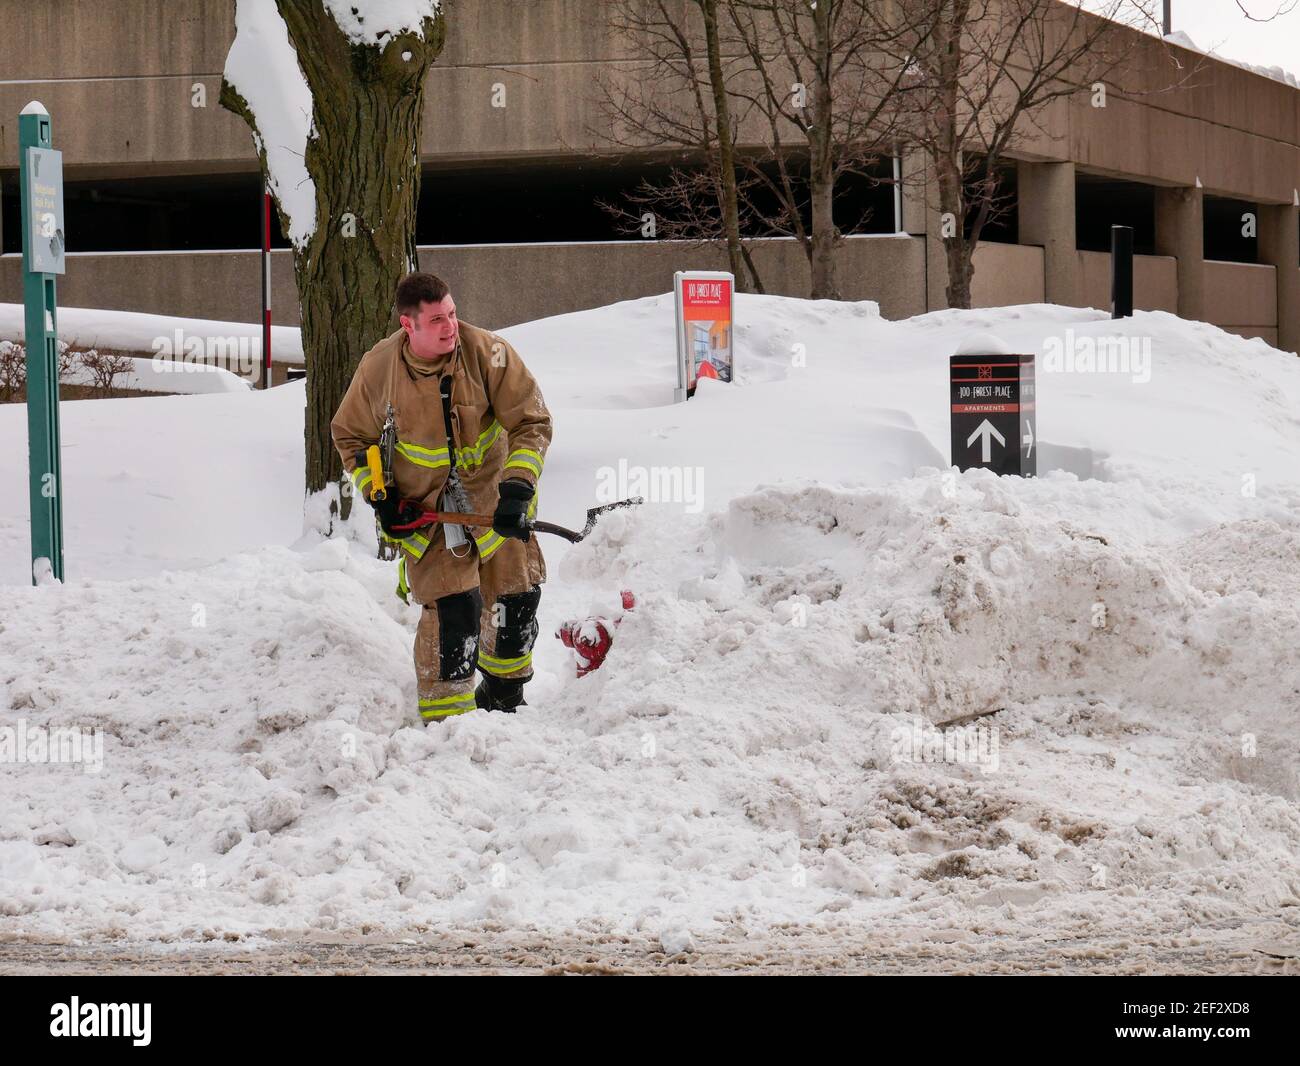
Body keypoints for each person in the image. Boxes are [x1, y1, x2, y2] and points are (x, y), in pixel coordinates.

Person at [331, 272, 552, 722]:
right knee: (455, 615)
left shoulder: (489, 353)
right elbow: (351, 437)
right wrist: (380, 497)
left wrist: (517, 488)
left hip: (495, 502)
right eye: (437, 320)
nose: (451, 325)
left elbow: (532, 421)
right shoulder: (378, 369)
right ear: (408, 325)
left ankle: (506, 697)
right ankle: (449, 724)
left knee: (515, 600)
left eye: (452, 314)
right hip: (427, 516)